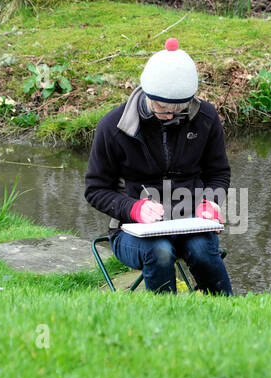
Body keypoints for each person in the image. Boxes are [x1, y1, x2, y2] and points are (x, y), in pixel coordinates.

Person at [84, 38, 234, 294]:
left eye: (179, 110)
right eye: (161, 108)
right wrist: (133, 208)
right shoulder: (113, 127)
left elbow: (218, 173)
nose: (170, 116)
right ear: (146, 94)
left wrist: (212, 201)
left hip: (191, 222)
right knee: (161, 251)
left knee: (203, 251)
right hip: (132, 231)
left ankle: (228, 317)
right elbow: (95, 190)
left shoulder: (205, 118)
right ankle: (165, 322)